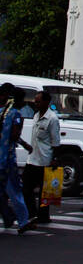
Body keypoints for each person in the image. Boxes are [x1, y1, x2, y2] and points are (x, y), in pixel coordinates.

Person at [0, 84, 36, 234]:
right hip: (7, 158)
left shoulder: (2, 113)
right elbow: (14, 136)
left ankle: (10, 217)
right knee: (15, 190)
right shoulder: (16, 115)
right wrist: (24, 144)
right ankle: (22, 221)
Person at [22, 89, 61, 223]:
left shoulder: (52, 119)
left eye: (38, 101)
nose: (35, 103)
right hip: (32, 158)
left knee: (45, 192)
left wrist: (54, 159)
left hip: (45, 160)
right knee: (26, 188)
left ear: (46, 102)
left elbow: (55, 141)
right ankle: (31, 212)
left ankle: (43, 216)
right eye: (35, 101)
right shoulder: (36, 115)